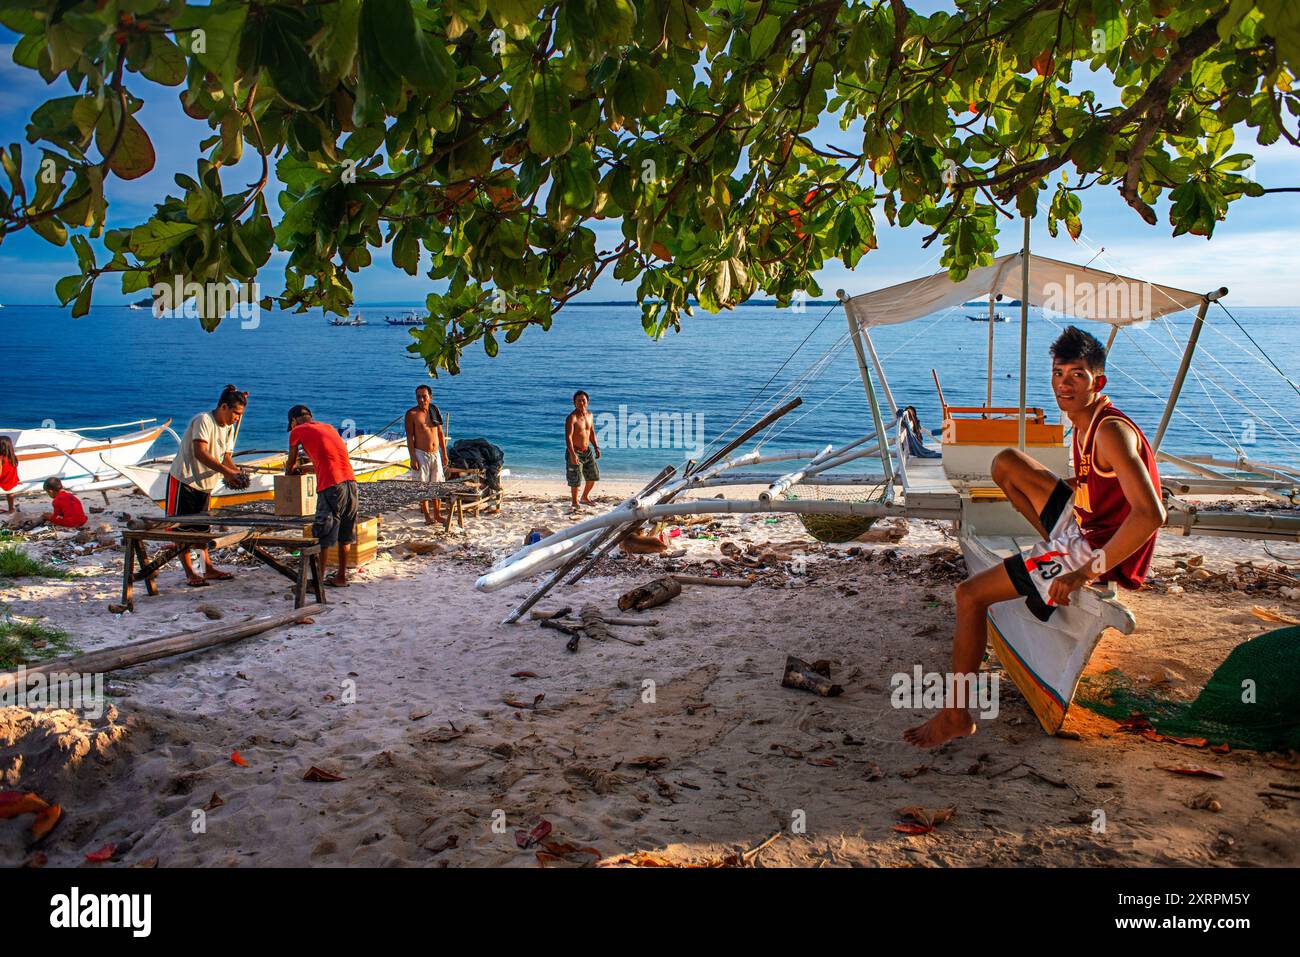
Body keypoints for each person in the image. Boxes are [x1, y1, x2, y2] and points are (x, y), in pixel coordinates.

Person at [904, 326, 1166, 749]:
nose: (1065, 383)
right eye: (1059, 373)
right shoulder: (1084, 424)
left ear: (1098, 381)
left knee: (969, 596)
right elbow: (1098, 488)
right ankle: (1048, 554)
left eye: (1077, 375)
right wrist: (1062, 494)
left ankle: (956, 715)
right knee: (1007, 462)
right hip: (1084, 526)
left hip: (1097, 548)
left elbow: (1151, 514)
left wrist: (1081, 573)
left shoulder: (1109, 431)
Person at [168, 385, 247, 587]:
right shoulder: (203, 420)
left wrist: (236, 473)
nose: (237, 418)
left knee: (202, 530)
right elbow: (200, 452)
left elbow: (226, 457)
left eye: (240, 414)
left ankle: (206, 569)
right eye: (236, 413)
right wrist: (226, 472)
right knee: (182, 529)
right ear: (224, 407)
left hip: (205, 486)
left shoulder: (228, 428)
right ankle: (190, 572)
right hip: (185, 480)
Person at [286, 405, 358, 587]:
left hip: (331, 486)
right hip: (350, 483)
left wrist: (290, 476)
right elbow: (329, 460)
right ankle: (341, 577)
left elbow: (290, 464)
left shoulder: (297, 431)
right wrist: (307, 469)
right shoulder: (328, 427)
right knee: (345, 533)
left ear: (293, 421)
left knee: (324, 534)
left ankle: (318, 581)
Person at [404, 384, 450, 525]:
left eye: (424, 396)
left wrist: (444, 454)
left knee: (437, 485)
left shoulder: (434, 410)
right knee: (422, 486)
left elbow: (440, 433)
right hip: (420, 454)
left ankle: (437, 515)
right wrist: (413, 457)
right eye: (418, 397)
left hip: (435, 454)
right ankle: (427, 517)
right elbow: (410, 437)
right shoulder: (411, 414)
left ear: (430, 397)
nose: (421, 399)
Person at [565, 390, 601, 511]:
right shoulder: (572, 418)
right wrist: (572, 454)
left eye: (583, 400)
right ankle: (574, 502)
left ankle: (584, 497)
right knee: (575, 479)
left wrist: (596, 447)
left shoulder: (590, 415)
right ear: (574, 403)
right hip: (575, 451)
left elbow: (592, 433)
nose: (581, 403)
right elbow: (568, 438)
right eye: (578, 401)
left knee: (593, 476)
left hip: (587, 451)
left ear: (588, 402)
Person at [0, 436, 18, 513]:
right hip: (13, 481)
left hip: (4, 483)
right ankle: (11, 508)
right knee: (10, 493)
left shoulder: (1, 458)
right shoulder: (13, 457)